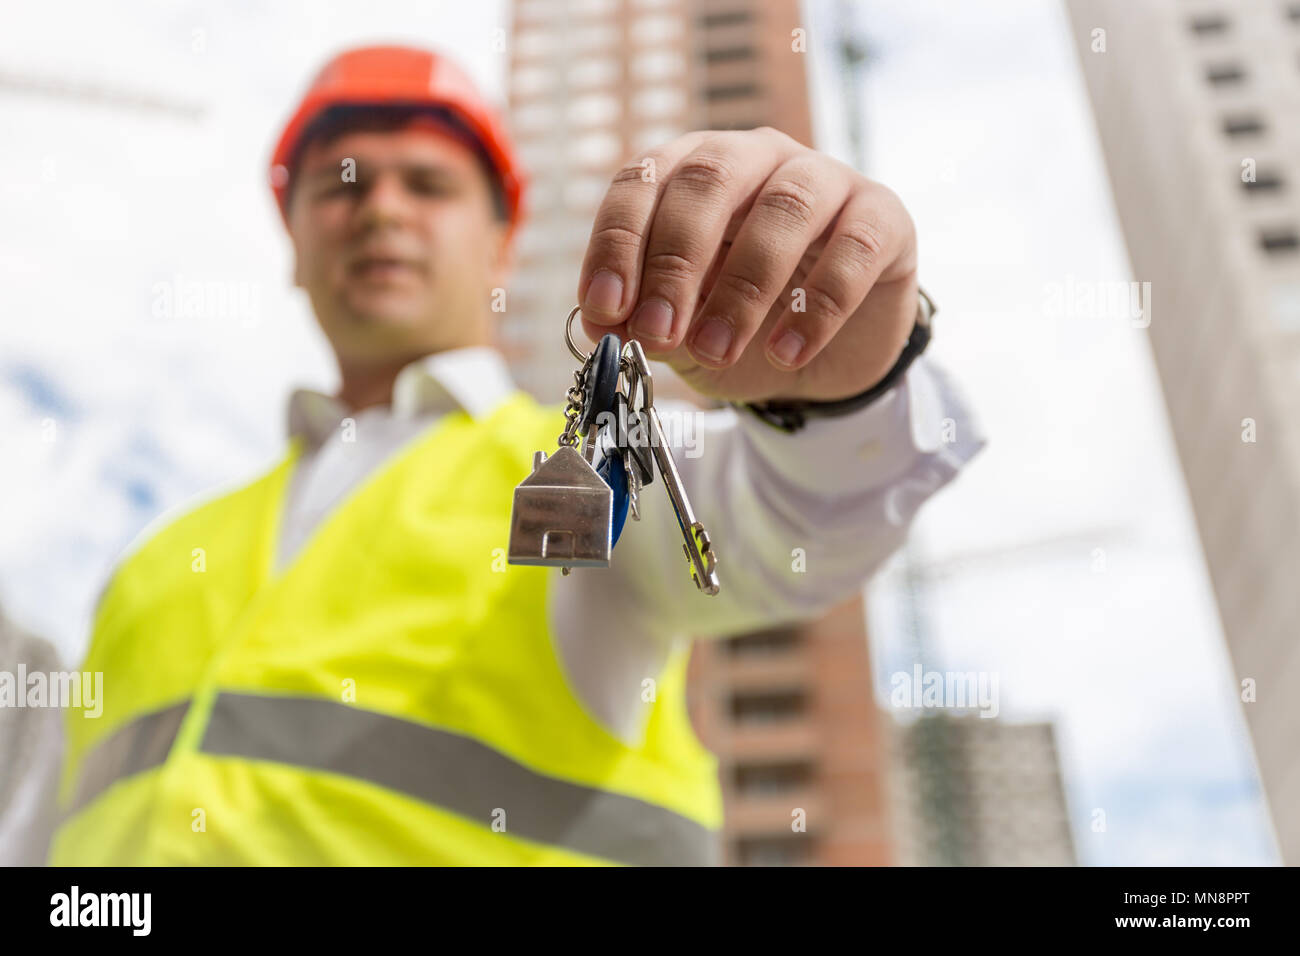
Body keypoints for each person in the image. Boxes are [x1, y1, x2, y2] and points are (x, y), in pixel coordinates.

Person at [43, 45, 985, 865]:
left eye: (428, 183)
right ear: (292, 248)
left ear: (503, 245)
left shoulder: (599, 453)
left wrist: (843, 383)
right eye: (342, 184)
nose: (379, 211)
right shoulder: (155, 561)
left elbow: (802, 519)